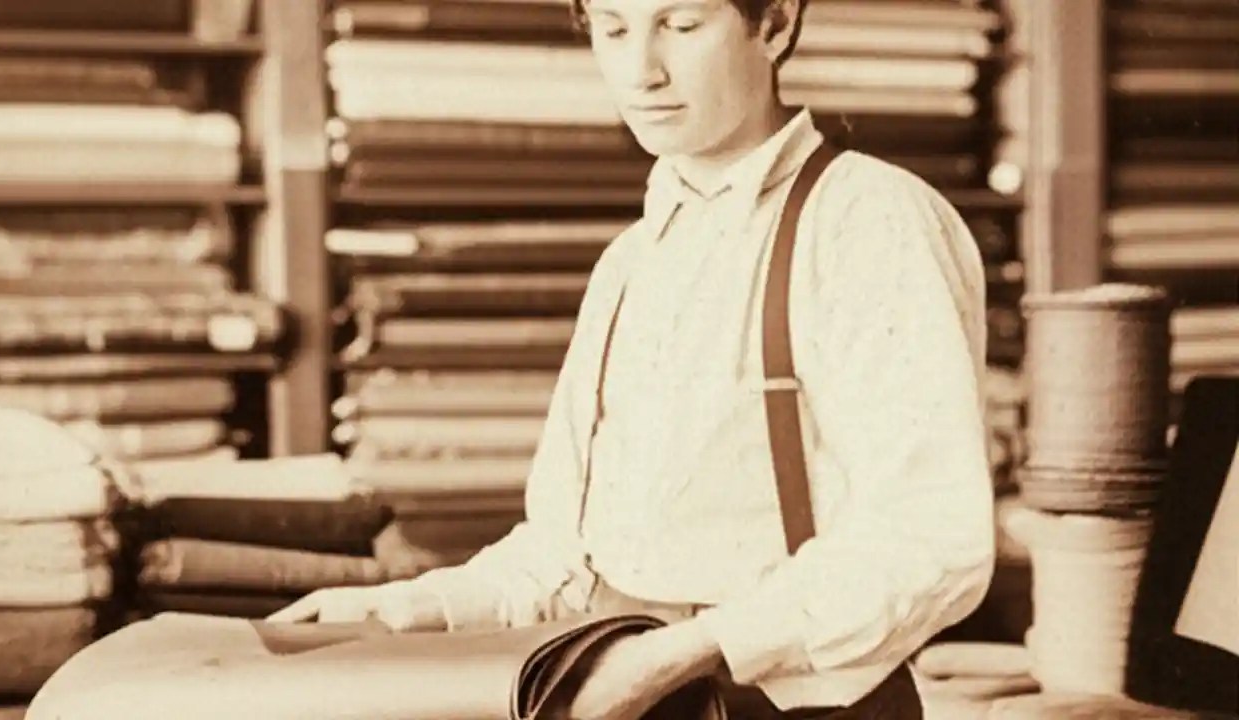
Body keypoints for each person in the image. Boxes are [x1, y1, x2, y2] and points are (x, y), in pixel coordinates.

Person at [269, 0, 996, 716]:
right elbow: (565, 557)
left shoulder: (868, 221)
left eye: (679, 26)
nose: (640, 71)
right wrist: (400, 611)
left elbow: (929, 537)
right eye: (613, 29)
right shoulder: (631, 262)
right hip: (639, 690)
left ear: (774, 24)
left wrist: (679, 653)